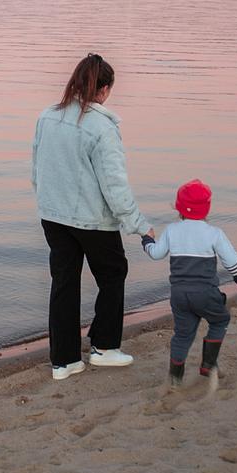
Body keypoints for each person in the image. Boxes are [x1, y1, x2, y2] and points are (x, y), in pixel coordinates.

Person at [33, 53, 153, 381]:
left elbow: (37, 167)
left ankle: (64, 361)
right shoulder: (102, 127)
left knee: (64, 283)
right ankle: (104, 347)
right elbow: (114, 186)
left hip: (53, 216)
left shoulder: (47, 116)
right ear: (104, 89)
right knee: (113, 274)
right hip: (92, 220)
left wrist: (44, 202)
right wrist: (140, 226)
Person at [141, 179, 237, 384]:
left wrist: (147, 239)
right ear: (207, 208)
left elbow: (156, 254)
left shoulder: (172, 230)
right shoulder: (214, 234)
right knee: (220, 320)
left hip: (179, 295)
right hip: (205, 293)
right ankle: (208, 364)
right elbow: (232, 262)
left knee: (182, 335)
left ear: (178, 207)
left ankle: (175, 379)